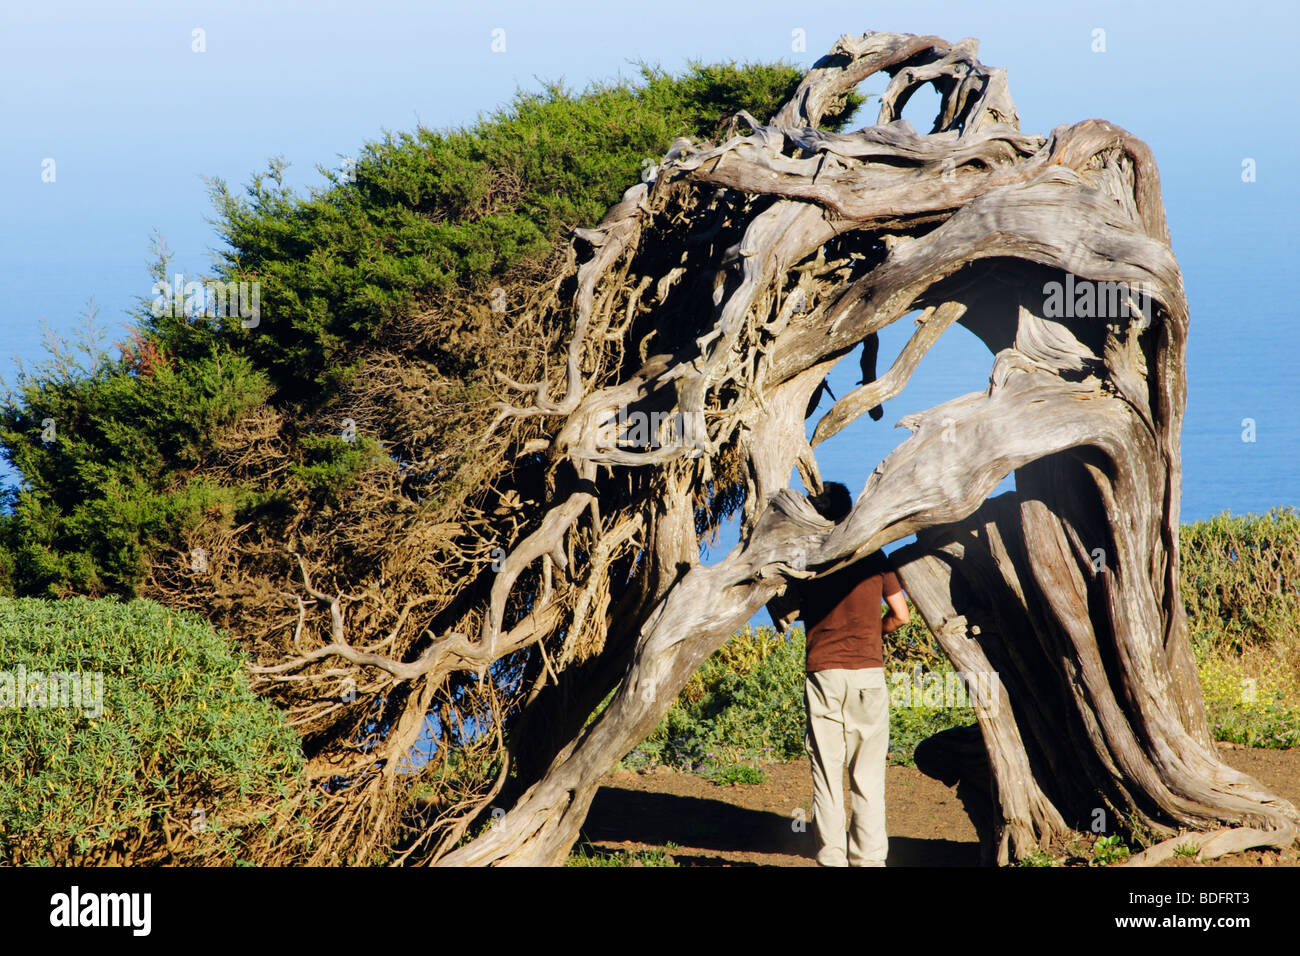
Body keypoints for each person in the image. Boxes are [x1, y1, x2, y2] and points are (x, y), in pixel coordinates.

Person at [770, 481, 909, 867]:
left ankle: (831, 857)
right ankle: (869, 860)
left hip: (824, 673)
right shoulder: (875, 556)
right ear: (852, 513)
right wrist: (874, 634)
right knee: (868, 776)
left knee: (827, 776)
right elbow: (902, 615)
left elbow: (785, 613)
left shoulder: (811, 561)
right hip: (868, 674)